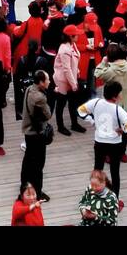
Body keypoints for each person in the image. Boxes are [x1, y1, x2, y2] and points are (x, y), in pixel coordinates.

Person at [79, 79, 127, 200]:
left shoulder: (95, 102)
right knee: (115, 173)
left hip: (99, 142)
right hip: (115, 144)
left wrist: (92, 121)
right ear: (115, 97)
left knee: (97, 170)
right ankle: (115, 198)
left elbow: (81, 110)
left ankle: (93, 196)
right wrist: (123, 130)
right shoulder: (118, 110)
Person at [21, 70, 53, 202]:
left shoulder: (29, 89)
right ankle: (38, 193)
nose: (49, 81)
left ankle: (24, 185)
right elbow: (48, 114)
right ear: (41, 82)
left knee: (28, 160)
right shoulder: (40, 97)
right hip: (36, 133)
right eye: (47, 80)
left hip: (28, 131)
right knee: (38, 164)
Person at [53, 25, 83, 135]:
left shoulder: (72, 45)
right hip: (63, 80)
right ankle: (60, 126)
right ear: (70, 36)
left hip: (71, 78)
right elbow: (66, 69)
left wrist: (77, 70)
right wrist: (73, 84)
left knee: (72, 102)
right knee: (61, 103)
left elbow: (73, 63)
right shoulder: (64, 50)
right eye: (76, 34)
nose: (78, 36)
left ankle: (74, 124)